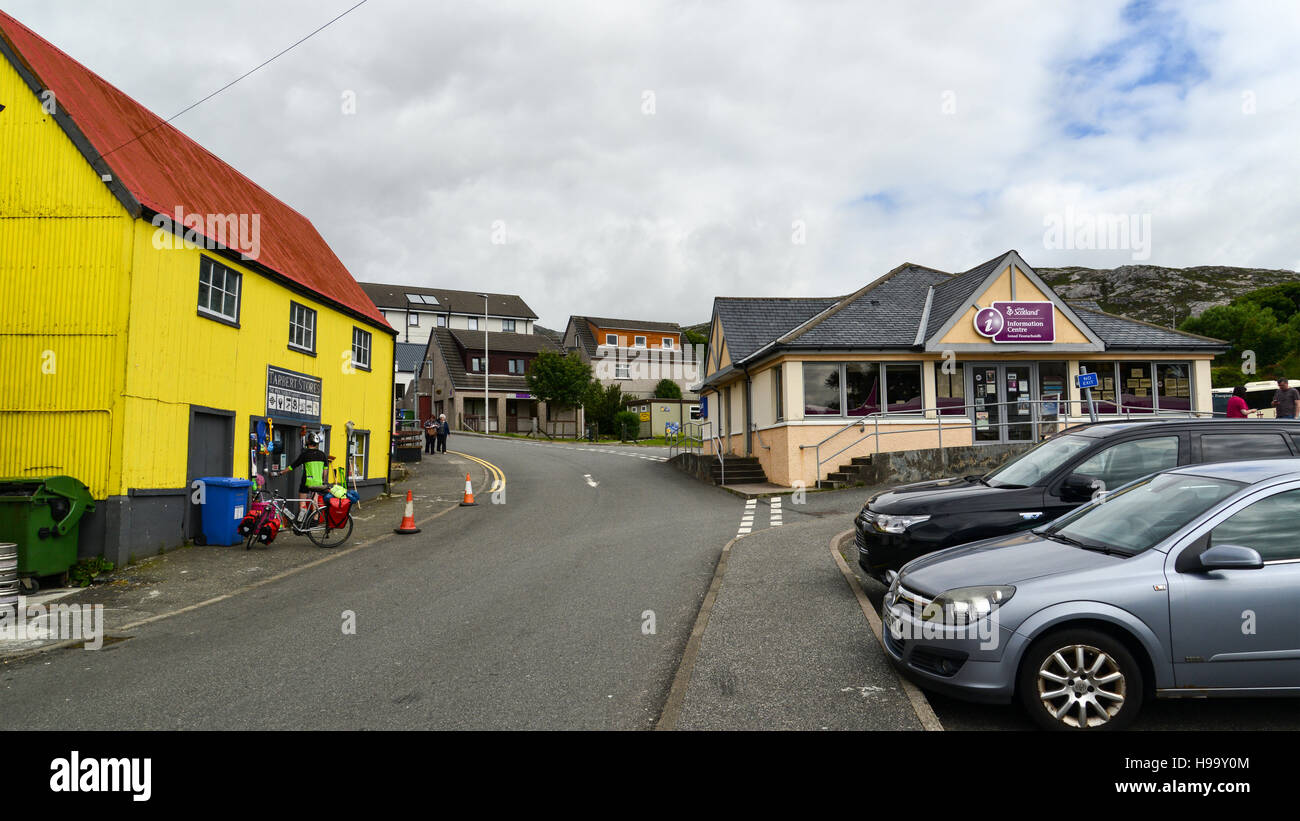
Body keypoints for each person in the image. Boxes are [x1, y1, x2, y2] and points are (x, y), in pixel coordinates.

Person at [283, 433, 329, 522]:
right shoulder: (322, 455)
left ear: (308, 442)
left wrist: (281, 472)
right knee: (314, 500)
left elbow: (293, 466)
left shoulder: (305, 454)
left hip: (306, 482)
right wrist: (323, 481)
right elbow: (325, 471)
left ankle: (301, 520)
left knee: (302, 501)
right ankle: (315, 520)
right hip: (318, 482)